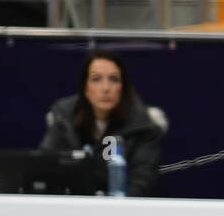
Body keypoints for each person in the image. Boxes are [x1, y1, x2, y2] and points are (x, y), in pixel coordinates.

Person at [38, 49, 166, 197]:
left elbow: (142, 182)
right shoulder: (64, 119)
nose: (106, 88)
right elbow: (45, 167)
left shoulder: (143, 126)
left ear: (122, 88)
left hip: (122, 212)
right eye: (96, 79)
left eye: (114, 79)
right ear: (85, 88)